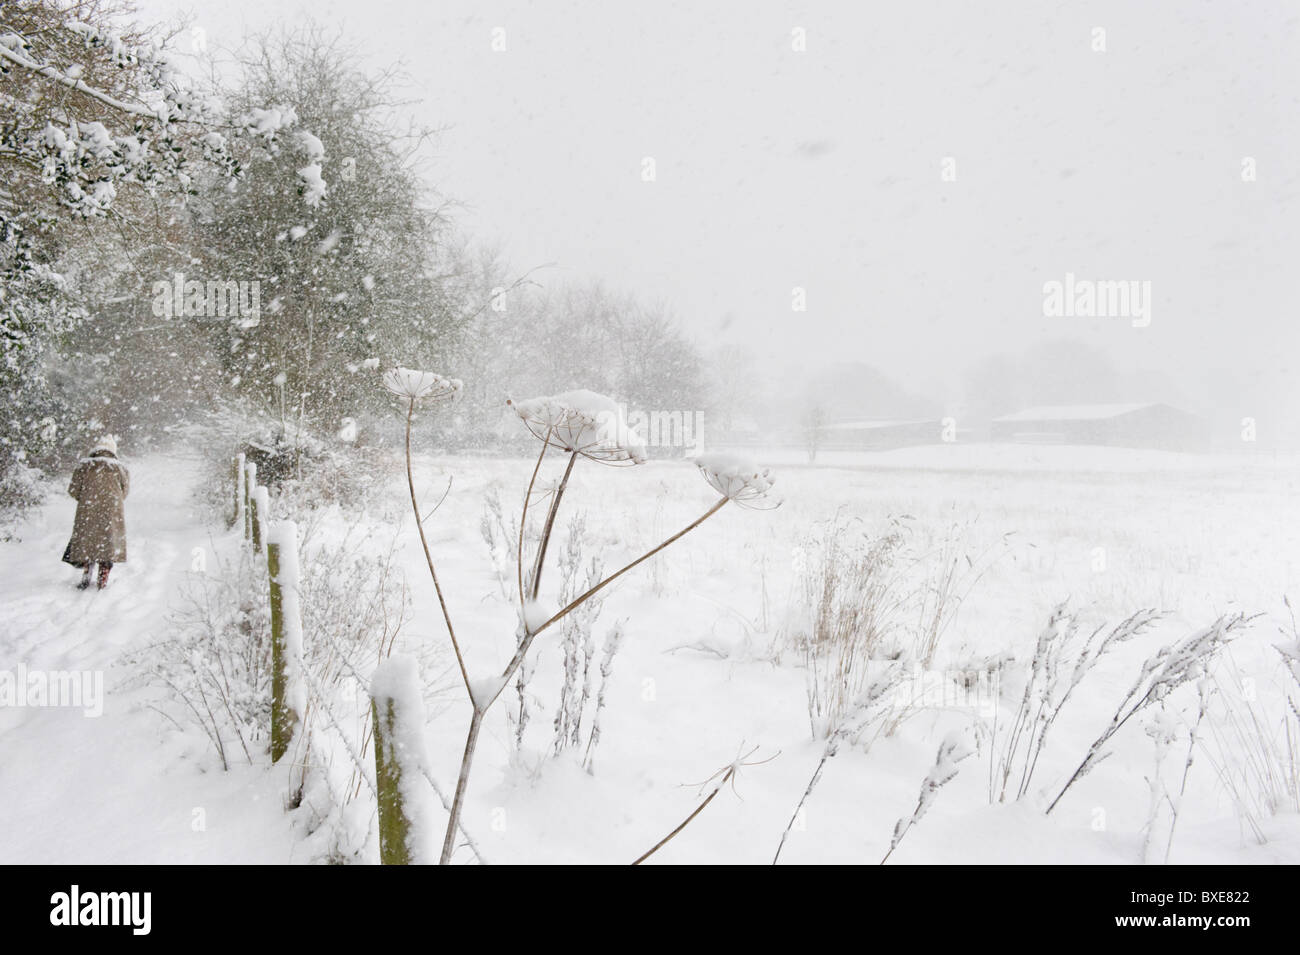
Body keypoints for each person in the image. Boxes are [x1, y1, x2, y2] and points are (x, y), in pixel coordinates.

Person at [62, 435, 130, 590]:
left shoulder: (84, 466)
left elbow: (73, 490)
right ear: (113, 450)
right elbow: (124, 492)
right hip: (112, 511)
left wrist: (87, 498)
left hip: (88, 509)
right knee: (108, 542)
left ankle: (87, 568)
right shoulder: (120, 468)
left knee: (88, 540)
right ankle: (104, 574)